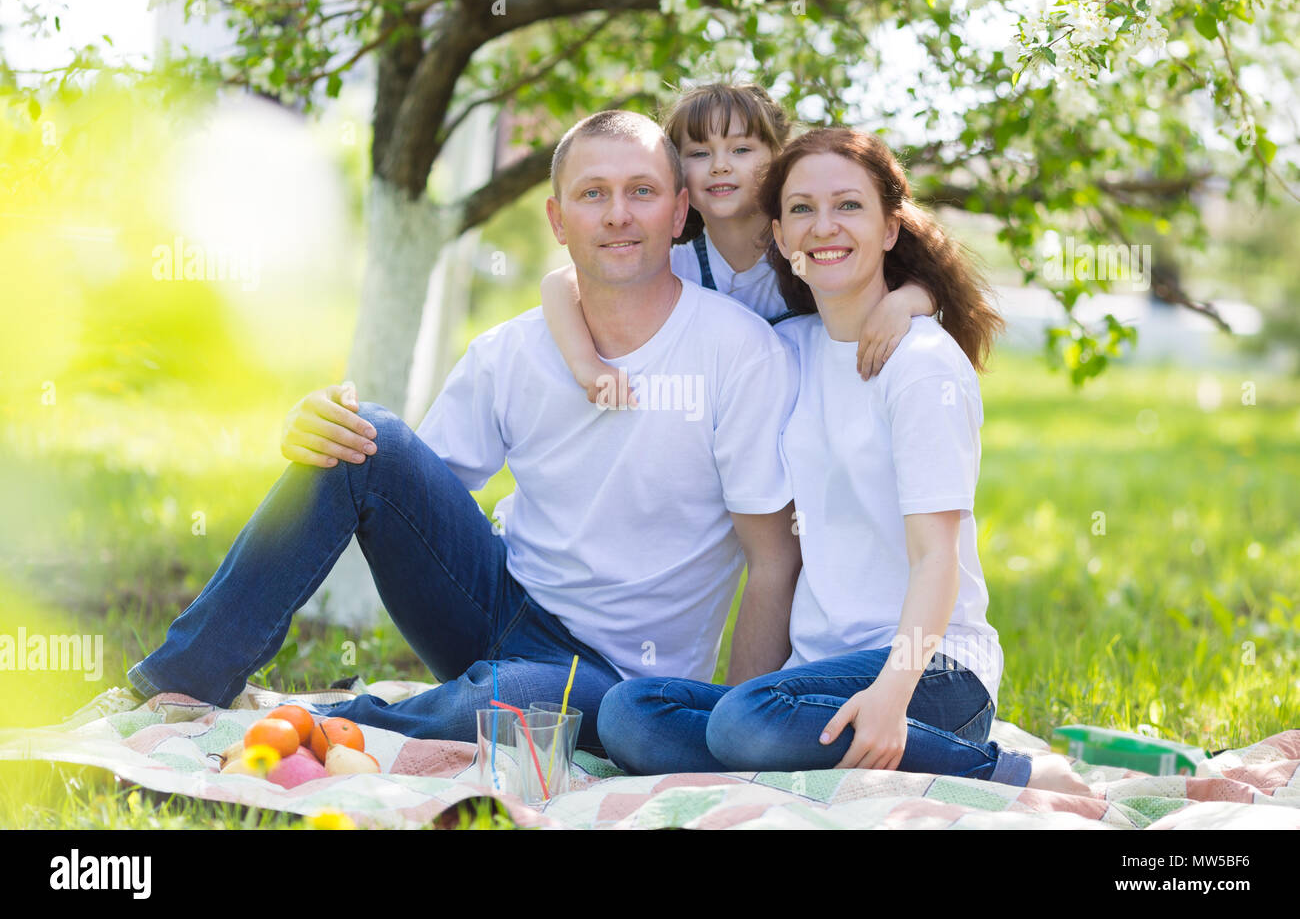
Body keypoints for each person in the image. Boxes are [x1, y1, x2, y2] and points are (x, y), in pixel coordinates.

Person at [59, 111, 803, 753]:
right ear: (557, 219)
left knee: (504, 706)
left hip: (614, 680)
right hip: (495, 602)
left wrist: (732, 725)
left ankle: (308, 727)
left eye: (641, 192)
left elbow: (771, 561)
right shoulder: (511, 350)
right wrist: (318, 432)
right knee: (363, 433)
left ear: (678, 213)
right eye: (593, 195)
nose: (617, 215)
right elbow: (402, 489)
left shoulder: (738, 353)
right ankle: (174, 690)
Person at [597, 127, 1090, 794]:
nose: (823, 227)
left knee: (745, 720)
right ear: (777, 234)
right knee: (631, 714)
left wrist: (891, 694)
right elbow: (583, 286)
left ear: (891, 227)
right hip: (811, 679)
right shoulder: (787, 348)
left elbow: (937, 557)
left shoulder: (921, 367)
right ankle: (780, 757)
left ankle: (1011, 774)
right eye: (801, 209)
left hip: (933, 673)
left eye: (849, 206)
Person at [539, 82, 937, 409]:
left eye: (741, 150)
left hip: (819, 417)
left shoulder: (808, 247)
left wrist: (905, 302)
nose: (720, 166)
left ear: (779, 161)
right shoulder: (675, 264)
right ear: (676, 173)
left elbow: (922, 277)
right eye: (698, 153)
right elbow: (560, 285)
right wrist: (587, 365)